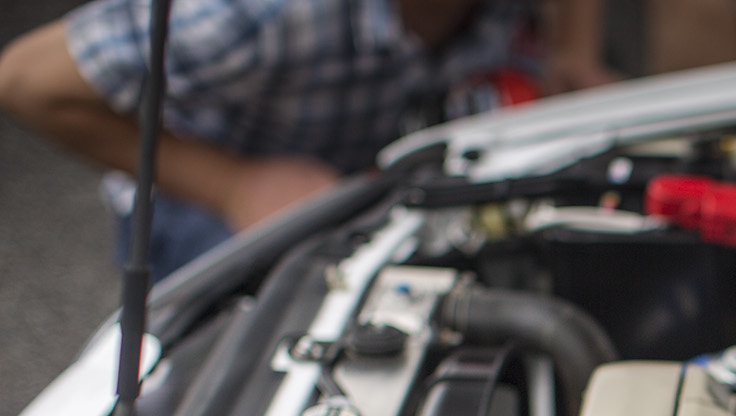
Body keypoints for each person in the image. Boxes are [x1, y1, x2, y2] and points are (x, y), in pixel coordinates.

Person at [0, 0, 617, 279]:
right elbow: (26, 80)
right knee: (235, 371)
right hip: (211, 184)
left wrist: (573, 51)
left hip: (375, 147)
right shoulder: (249, 15)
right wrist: (234, 184)